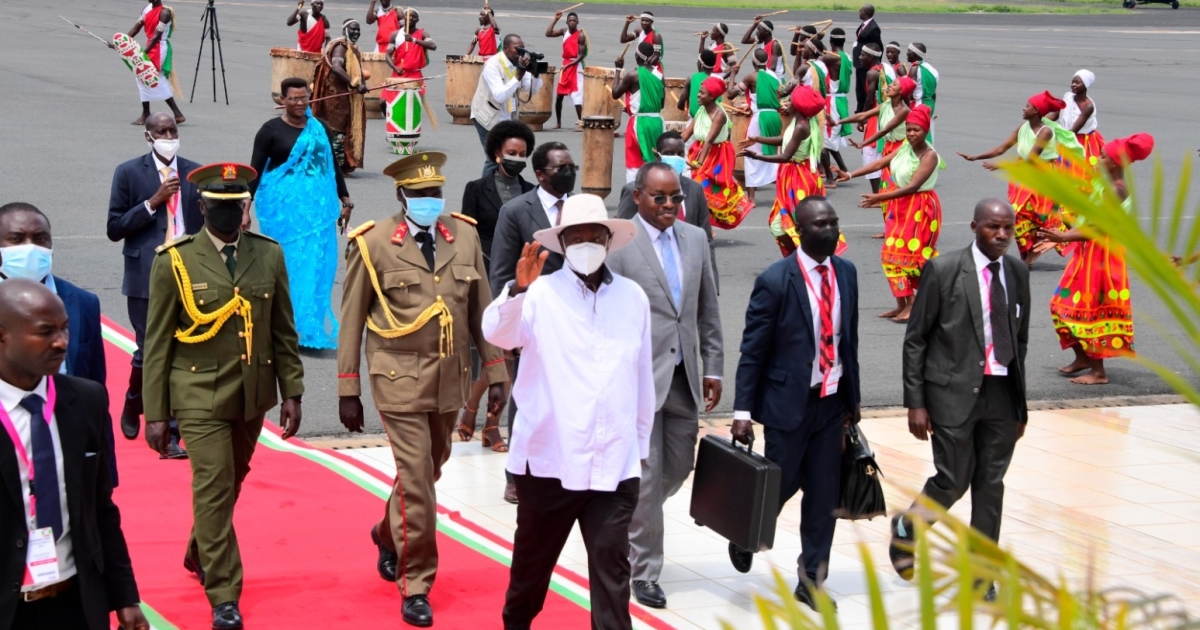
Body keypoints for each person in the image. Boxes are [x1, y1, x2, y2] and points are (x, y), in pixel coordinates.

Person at [338, 152, 507, 628]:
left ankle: (386, 533)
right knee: (417, 482)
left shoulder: (465, 235)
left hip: (448, 380)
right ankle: (417, 584)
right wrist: (347, 387)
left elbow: (480, 309)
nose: (430, 202)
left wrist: (495, 374)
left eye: (435, 194)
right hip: (397, 379)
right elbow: (352, 318)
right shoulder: (373, 244)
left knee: (431, 467)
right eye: (420, 195)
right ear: (401, 196)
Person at [142, 163, 305, 629]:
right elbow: (157, 344)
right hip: (196, 392)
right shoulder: (174, 260)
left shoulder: (268, 254)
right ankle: (224, 593)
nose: (229, 213)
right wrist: (157, 413)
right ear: (201, 207)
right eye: (219, 206)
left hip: (252, 394)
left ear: (246, 207)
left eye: (237, 205)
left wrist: (291, 391)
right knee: (213, 487)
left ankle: (199, 549)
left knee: (231, 482)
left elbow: (282, 330)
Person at [484, 194, 653, 630]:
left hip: (613, 466)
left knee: (613, 575)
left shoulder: (632, 298)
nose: (585, 245)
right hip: (548, 463)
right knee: (530, 574)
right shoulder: (539, 294)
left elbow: (642, 378)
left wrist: (639, 445)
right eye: (574, 238)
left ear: (607, 241)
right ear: (561, 243)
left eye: (592, 237)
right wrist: (518, 290)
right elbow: (498, 334)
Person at [891, 199, 1030, 601]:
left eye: (1008, 228)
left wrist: (1020, 405)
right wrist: (915, 402)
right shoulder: (945, 269)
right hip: (952, 393)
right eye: (993, 228)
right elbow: (916, 338)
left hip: (1002, 393)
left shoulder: (1018, 271)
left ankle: (981, 576)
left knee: (990, 485)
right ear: (974, 227)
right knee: (952, 480)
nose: (1002, 235)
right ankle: (908, 529)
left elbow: (1019, 340)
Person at [730, 196, 861, 611]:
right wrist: (742, 412)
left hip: (831, 402)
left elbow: (848, 341)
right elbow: (753, 351)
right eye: (821, 224)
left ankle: (812, 580)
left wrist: (852, 402)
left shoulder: (848, 273)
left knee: (824, 495)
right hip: (788, 403)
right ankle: (744, 532)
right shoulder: (775, 280)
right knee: (779, 485)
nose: (830, 230)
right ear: (799, 231)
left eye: (834, 222)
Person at [606, 163, 723, 610]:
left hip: (683, 377)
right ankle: (645, 570)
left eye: (676, 197)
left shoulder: (694, 239)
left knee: (678, 466)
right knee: (650, 475)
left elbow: (707, 309)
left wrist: (713, 367)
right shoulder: (619, 248)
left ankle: (633, 518)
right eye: (661, 198)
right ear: (637, 197)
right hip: (636, 381)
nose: (671, 205)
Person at [0, 279, 149, 630]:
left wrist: (125, 597)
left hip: (75, 603)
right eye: (45, 331)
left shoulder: (86, 400)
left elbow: (101, 507)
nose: (61, 343)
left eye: (65, 329)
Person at [1, 203, 118, 484]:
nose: (31, 248)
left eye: (41, 239)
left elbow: (94, 387)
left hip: (66, 436)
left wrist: (105, 472)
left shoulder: (83, 303)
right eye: (16, 239)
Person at [107, 112, 202, 455]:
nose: (168, 135)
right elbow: (114, 228)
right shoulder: (130, 172)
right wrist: (152, 202)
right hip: (146, 274)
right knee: (150, 352)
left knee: (180, 350)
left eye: (172, 129)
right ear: (149, 137)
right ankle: (134, 401)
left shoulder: (195, 171)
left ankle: (171, 434)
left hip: (187, 272)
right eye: (161, 131)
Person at [487, 141, 575, 503]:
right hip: (534, 321)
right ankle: (516, 474)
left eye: (572, 167)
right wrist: (511, 327)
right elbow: (502, 272)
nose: (569, 174)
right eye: (561, 168)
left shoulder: (583, 208)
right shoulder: (516, 211)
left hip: (577, 319)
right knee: (528, 398)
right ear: (540, 175)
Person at [1037, 133, 1152, 385]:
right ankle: (1084, 358)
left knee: (1091, 310)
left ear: (1114, 162)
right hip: (1089, 250)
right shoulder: (1104, 184)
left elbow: (1098, 227)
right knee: (1060, 304)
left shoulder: (1117, 190)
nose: (1096, 158)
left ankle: (1099, 372)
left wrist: (1063, 237)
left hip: (1103, 253)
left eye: (1101, 156)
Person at [249, 77, 353, 350]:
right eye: (293, 98)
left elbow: (333, 166)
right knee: (289, 269)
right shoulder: (269, 131)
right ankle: (284, 327)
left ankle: (308, 327)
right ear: (282, 100)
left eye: (303, 97)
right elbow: (255, 173)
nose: (299, 103)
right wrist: (243, 210)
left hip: (318, 213)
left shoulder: (319, 130)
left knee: (316, 268)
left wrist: (345, 199)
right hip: (285, 216)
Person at [459, 120, 537, 451]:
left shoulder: (532, 191)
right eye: (511, 153)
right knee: (496, 356)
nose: (517, 158)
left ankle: (488, 423)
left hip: (521, 284)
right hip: (486, 277)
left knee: (508, 356)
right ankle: (476, 413)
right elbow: (466, 235)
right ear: (497, 153)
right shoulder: (476, 189)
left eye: (522, 154)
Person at [835, 104, 943, 322]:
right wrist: (849, 174)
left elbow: (913, 187)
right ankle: (901, 303)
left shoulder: (929, 155)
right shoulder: (905, 147)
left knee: (910, 257)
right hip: (900, 206)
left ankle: (917, 303)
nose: (911, 133)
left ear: (926, 130)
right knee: (889, 256)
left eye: (916, 130)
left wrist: (879, 198)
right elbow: (880, 163)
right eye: (909, 129)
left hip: (919, 209)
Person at [957, 91, 1083, 266]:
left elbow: (1032, 160)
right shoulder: (1022, 128)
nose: (1024, 109)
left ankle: (1059, 241)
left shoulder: (1045, 132)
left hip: (1042, 175)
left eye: (1028, 106)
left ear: (1037, 110)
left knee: (1042, 216)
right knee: (1020, 215)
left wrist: (1001, 166)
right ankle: (1028, 253)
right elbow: (1001, 149)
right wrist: (975, 156)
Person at [742, 87, 831, 257]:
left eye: (790, 101)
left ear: (798, 105)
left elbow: (785, 156)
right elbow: (785, 140)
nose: (786, 103)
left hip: (800, 179)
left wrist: (756, 155)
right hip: (795, 175)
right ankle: (798, 259)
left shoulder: (801, 126)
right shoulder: (800, 122)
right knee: (786, 224)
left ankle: (803, 258)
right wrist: (757, 139)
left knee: (793, 225)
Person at [617, 132, 717, 283]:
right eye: (669, 153)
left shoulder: (695, 190)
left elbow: (706, 240)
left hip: (687, 275)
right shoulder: (634, 191)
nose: (675, 158)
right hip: (647, 277)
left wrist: (711, 283)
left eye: (680, 154)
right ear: (658, 157)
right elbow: (623, 237)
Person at [683, 76, 753, 231]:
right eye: (699, 92)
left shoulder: (719, 115)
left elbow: (709, 141)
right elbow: (686, 134)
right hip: (699, 151)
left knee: (703, 187)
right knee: (698, 189)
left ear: (712, 96)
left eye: (702, 93)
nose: (698, 95)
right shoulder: (701, 110)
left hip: (717, 155)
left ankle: (703, 226)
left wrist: (699, 164)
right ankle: (701, 225)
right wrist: (666, 146)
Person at [471, 35, 544, 176]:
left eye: (523, 48)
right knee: (494, 158)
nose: (521, 53)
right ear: (505, 48)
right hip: (486, 116)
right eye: (517, 49)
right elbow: (499, 95)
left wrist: (535, 75)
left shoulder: (520, 62)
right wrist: (518, 75)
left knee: (507, 156)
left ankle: (501, 185)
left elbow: (532, 90)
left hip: (506, 118)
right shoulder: (492, 65)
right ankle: (485, 191)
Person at [312, 19, 369, 173]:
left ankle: (338, 163)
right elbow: (336, 68)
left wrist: (362, 83)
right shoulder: (340, 47)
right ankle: (332, 164)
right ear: (345, 30)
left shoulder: (352, 47)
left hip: (345, 95)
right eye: (353, 29)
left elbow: (356, 70)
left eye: (358, 30)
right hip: (335, 96)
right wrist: (355, 84)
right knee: (336, 130)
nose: (356, 32)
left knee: (342, 131)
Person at [382, 8, 436, 156]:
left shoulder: (422, 34)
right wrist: (394, 67)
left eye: (413, 16)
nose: (409, 18)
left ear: (417, 20)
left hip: (415, 74)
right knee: (383, 102)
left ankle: (408, 133)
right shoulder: (395, 35)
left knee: (412, 105)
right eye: (407, 16)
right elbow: (387, 55)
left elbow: (433, 46)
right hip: (397, 74)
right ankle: (391, 125)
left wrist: (413, 40)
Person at [731, 50, 782, 201]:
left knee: (750, 154)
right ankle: (781, 195)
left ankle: (752, 199)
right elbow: (775, 95)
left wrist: (733, 73)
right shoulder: (774, 77)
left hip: (760, 118)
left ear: (753, 62)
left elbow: (730, 94)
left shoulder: (751, 76)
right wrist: (751, 104)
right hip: (775, 117)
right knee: (775, 155)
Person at [612, 42, 665, 183]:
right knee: (655, 159)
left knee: (634, 161)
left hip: (640, 123)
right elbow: (662, 103)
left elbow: (615, 93)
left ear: (637, 56)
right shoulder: (659, 75)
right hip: (657, 122)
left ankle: (633, 194)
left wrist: (618, 69)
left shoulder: (633, 75)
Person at [126, 0, 184, 126]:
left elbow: (157, 36)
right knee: (145, 77)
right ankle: (176, 114)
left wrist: (142, 53)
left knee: (146, 76)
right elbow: (137, 27)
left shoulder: (165, 13)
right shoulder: (146, 9)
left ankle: (147, 113)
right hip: (151, 46)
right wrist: (122, 42)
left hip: (159, 48)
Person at [1050, 70, 1102, 178]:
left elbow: (1073, 131)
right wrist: (1037, 124)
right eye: (1072, 82)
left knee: (1080, 172)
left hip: (1080, 141)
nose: (1073, 85)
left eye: (1077, 83)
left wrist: (1050, 134)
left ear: (1085, 85)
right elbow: (1055, 115)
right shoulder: (1068, 98)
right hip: (1067, 137)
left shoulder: (1088, 106)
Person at [546, 11, 588, 130]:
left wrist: (569, 65)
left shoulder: (580, 35)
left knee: (576, 95)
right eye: (570, 20)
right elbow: (548, 33)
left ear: (577, 22)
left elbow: (581, 55)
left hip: (575, 66)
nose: (572, 22)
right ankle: (558, 122)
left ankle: (581, 122)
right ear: (567, 22)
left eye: (574, 20)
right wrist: (555, 19)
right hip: (565, 65)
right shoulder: (564, 31)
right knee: (559, 95)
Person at [823, 29, 854, 185]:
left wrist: (812, 43)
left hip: (832, 102)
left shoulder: (834, 58)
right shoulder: (847, 57)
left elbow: (816, 58)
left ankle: (829, 178)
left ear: (831, 42)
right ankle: (843, 169)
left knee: (823, 142)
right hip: (839, 101)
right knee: (831, 140)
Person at [852, 4, 882, 113]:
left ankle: (866, 110)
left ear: (865, 13)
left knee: (866, 88)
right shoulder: (864, 25)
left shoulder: (873, 28)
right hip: (860, 62)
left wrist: (875, 64)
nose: (859, 12)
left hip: (866, 63)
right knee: (859, 88)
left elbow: (878, 46)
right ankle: (859, 108)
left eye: (860, 10)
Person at [906, 43, 938, 141]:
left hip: (917, 105)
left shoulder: (914, 68)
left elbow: (908, 93)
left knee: (915, 135)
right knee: (925, 129)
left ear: (915, 54)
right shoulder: (932, 69)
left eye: (909, 51)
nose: (907, 53)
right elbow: (934, 93)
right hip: (929, 104)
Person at [677, 50, 718, 121]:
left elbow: (680, 105)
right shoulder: (717, 80)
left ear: (701, 64)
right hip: (712, 121)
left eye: (698, 61)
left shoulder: (692, 78)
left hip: (694, 121)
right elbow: (718, 103)